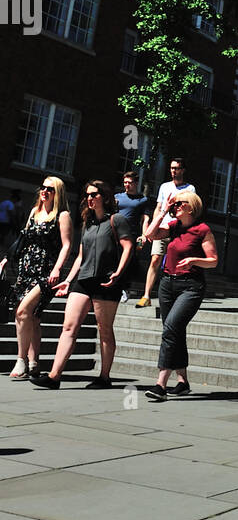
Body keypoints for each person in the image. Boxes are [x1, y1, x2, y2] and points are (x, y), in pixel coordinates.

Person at [30, 181, 134, 390]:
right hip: (84, 280)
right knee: (69, 327)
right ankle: (54, 376)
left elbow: (128, 246)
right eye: (87, 195)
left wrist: (118, 273)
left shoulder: (117, 220)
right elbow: (81, 255)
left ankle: (104, 377)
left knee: (104, 329)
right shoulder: (88, 223)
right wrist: (68, 280)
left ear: (104, 197)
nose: (90, 198)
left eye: (94, 194)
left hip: (106, 280)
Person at [142, 191, 217, 401]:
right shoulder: (173, 227)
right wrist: (164, 210)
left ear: (190, 207)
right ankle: (183, 382)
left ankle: (160, 385)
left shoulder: (202, 230)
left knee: (171, 329)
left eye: (178, 205)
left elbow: (213, 260)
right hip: (167, 284)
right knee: (175, 331)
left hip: (190, 287)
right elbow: (150, 233)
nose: (174, 208)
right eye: (173, 206)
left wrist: (194, 260)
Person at [1, 177, 73, 380]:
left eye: (50, 189)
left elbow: (67, 245)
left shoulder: (63, 215)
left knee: (22, 311)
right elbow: (23, 238)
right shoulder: (35, 212)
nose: (44, 191)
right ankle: (34, 362)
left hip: (47, 272)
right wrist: (7, 257)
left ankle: (21, 360)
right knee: (33, 316)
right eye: (43, 187)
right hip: (26, 269)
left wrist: (58, 269)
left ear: (57, 192)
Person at [136, 158, 195, 307]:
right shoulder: (164, 187)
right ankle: (146, 295)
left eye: (177, 168)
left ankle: (176, 296)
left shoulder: (190, 189)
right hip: (163, 228)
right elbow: (158, 207)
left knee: (176, 263)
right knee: (155, 259)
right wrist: (154, 226)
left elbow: (192, 210)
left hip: (178, 230)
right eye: (172, 168)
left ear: (183, 170)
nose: (174, 171)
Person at [114, 170, 152, 301]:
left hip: (132, 235)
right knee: (114, 259)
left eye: (129, 183)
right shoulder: (117, 197)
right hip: (115, 233)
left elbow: (145, 219)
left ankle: (124, 289)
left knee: (129, 262)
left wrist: (144, 235)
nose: (126, 185)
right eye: (125, 182)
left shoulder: (142, 200)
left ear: (136, 183)